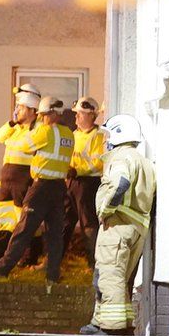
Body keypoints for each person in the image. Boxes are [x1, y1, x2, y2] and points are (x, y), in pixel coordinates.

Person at [80, 115, 156, 336]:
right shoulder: (144, 162)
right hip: (137, 226)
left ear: (118, 134)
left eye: (108, 136)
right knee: (120, 278)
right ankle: (108, 323)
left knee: (109, 275)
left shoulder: (121, 158)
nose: (106, 141)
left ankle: (110, 329)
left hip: (117, 226)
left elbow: (120, 183)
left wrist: (105, 209)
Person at [0, 97, 73, 284]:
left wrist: (24, 125)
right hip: (59, 189)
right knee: (55, 234)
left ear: (49, 115)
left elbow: (24, 146)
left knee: (23, 230)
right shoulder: (68, 134)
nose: (42, 119)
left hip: (41, 188)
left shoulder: (45, 132)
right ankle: (52, 275)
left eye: (43, 115)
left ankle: (1, 269)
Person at [0, 84, 43, 264]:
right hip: (8, 177)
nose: (17, 110)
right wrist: (12, 123)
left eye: (20, 107)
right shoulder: (15, 127)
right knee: (2, 216)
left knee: (25, 217)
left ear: (31, 108)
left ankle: (29, 256)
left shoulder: (38, 129)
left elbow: (28, 146)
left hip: (24, 177)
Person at [62, 97, 106, 267]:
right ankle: (53, 261)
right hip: (72, 182)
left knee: (89, 224)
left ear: (90, 115)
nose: (76, 117)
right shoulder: (74, 135)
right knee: (64, 221)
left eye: (79, 114)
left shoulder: (100, 135)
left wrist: (77, 170)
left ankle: (94, 265)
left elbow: (99, 161)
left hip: (89, 184)